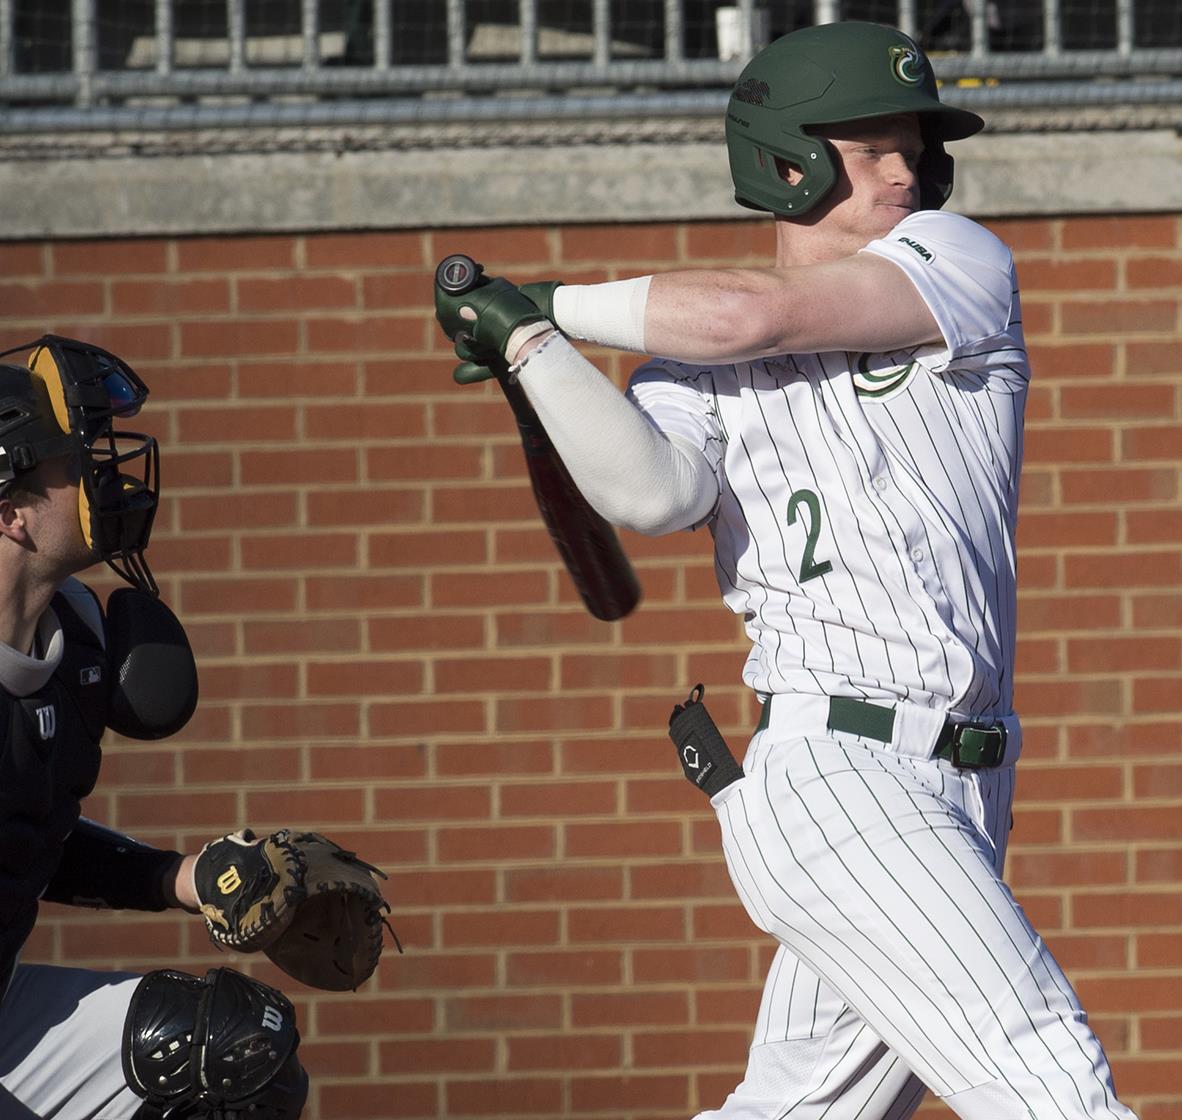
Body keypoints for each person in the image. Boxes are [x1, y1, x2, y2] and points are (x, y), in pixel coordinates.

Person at [436, 20, 1142, 1120]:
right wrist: (532, 352)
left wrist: (545, 305)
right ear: (786, 162)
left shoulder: (955, 262)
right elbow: (653, 496)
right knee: (1046, 1074)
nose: (906, 168)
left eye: (913, 143)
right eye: (870, 147)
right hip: (835, 774)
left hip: (959, 785)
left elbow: (749, 314)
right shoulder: (685, 370)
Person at [0, 335, 373, 1119]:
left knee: (236, 1051)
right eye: (80, 461)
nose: (107, 474)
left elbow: (28, 831)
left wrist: (183, 878)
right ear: (10, 513)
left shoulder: (73, 639)